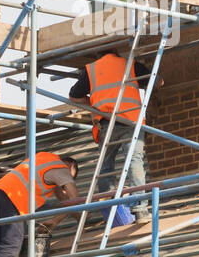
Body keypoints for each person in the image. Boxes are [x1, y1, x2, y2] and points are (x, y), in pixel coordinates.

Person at [68, 51, 158, 224]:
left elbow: (73, 96)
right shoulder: (129, 64)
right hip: (130, 121)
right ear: (117, 54)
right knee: (134, 161)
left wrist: (93, 105)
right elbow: (156, 81)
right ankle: (140, 210)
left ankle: (110, 211)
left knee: (106, 166)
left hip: (106, 122)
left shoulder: (91, 70)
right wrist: (158, 81)